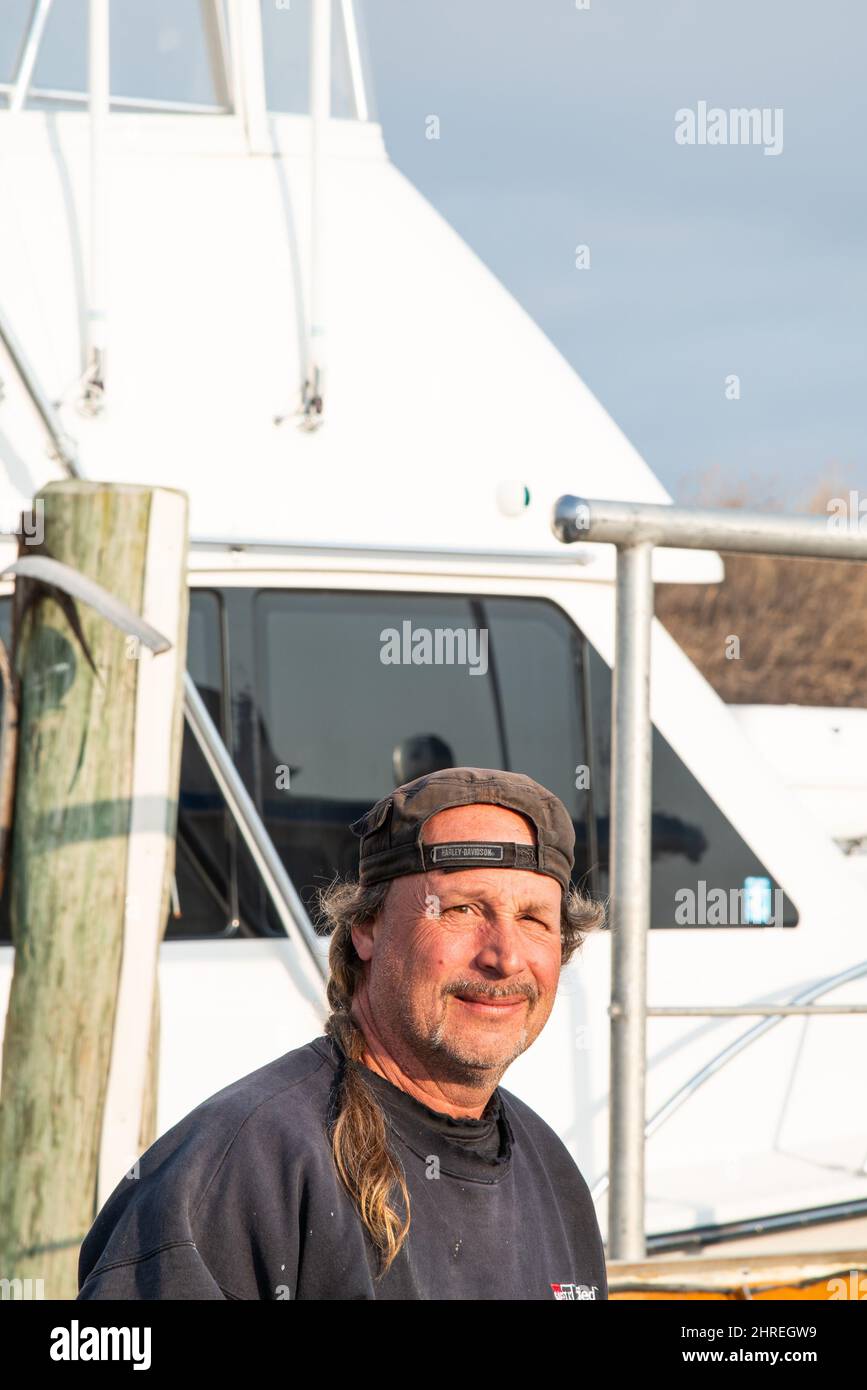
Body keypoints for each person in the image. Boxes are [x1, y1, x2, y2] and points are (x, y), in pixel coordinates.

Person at [77, 767, 608, 1300]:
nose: (505, 955)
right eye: (463, 909)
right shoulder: (239, 1169)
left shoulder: (554, 1178)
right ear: (366, 928)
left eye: (535, 919)